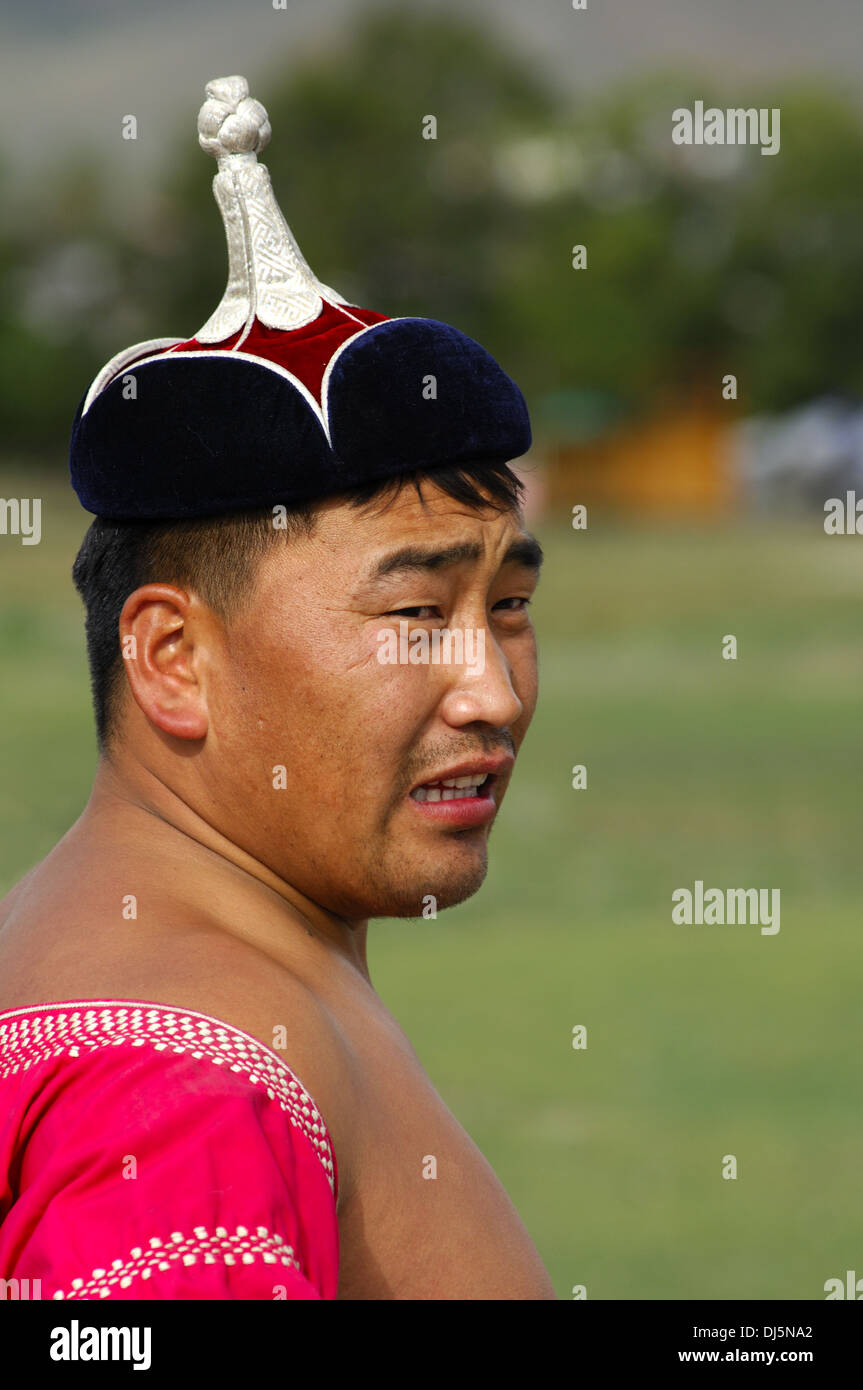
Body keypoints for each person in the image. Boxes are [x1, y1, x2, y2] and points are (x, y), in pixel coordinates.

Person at [0, 76, 553, 1301]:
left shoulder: (238, 981)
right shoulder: (179, 1080)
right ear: (172, 659)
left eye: (505, 606)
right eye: (415, 614)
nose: (492, 693)